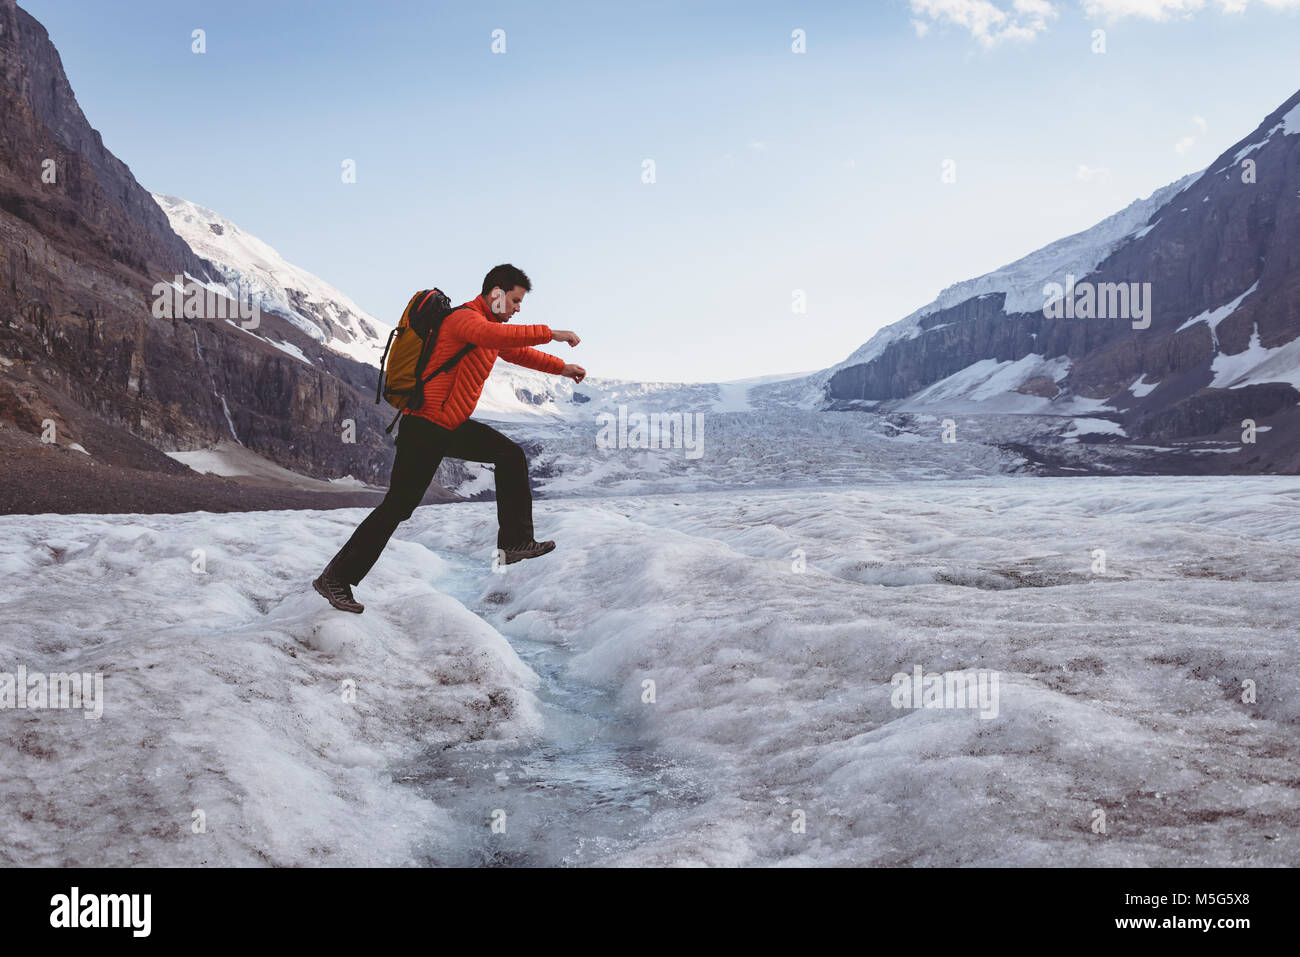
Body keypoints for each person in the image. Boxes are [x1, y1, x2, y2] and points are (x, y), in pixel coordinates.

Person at [313, 264, 585, 613]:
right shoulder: (465, 321)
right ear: (496, 293)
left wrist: (562, 368)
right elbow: (502, 339)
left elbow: (517, 351)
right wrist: (553, 333)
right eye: (515, 301)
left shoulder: (488, 330)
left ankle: (515, 543)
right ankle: (336, 579)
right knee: (398, 507)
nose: (518, 308)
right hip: (425, 426)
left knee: (509, 454)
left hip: (450, 424)